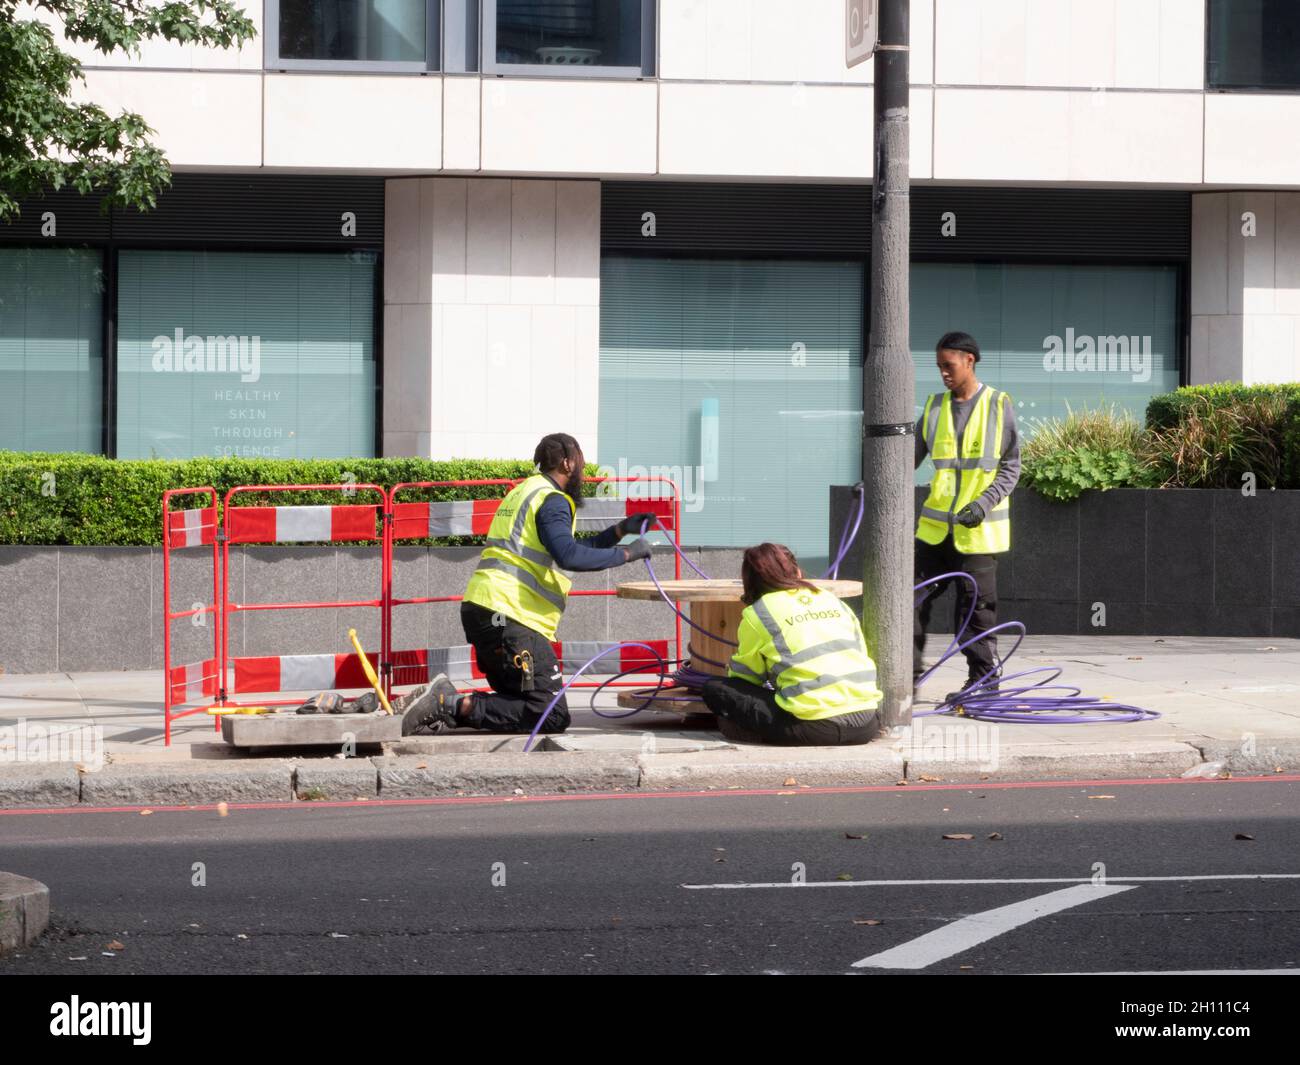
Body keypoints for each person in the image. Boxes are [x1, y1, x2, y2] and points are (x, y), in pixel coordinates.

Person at [401, 433, 656, 736]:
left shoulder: (525, 492)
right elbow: (569, 556)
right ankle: (451, 704)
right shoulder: (553, 500)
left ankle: (447, 701)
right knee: (551, 714)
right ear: (568, 462)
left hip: (485, 610)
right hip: (512, 618)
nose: (585, 472)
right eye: (582, 463)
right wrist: (627, 554)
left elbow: (564, 546)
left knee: (523, 703)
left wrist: (619, 530)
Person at [913, 331, 1021, 702]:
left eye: (949, 365)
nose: (943, 373)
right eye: (939, 366)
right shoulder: (932, 407)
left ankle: (983, 682)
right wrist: (873, 479)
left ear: (970, 361)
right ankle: (905, 680)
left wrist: (984, 503)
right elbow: (904, 461)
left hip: (978, 533)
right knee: (910, 601)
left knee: (976, 611)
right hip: (934, 531)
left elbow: (1011, 466)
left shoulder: (997, 404)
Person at [701, 543, 881, 746]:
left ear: (750, 580)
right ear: (796, 571)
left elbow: (746, 678)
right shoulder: (831, 599)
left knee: (715, 689)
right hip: (866, 723)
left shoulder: (758, 613)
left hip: (814, 726)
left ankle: (753, 732)